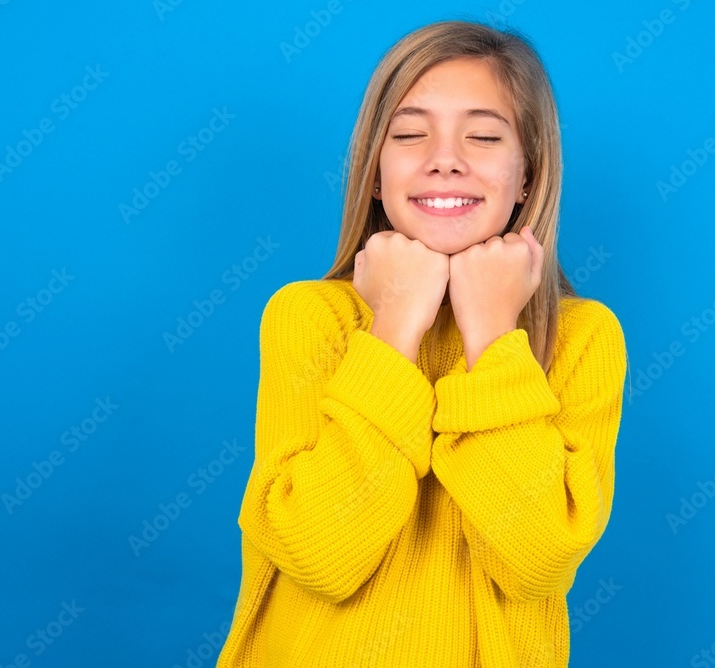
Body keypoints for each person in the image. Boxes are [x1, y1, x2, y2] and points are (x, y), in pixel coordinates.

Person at [217, 19, 627, 667]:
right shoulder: (308, 317)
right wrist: (396, 323)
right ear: (375, 173)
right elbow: (319, 555)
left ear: (528, 175)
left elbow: (538, 559)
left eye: (485, 135)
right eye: (409, 133)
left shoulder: (583, 338)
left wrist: (492, 332)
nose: (445, 157)